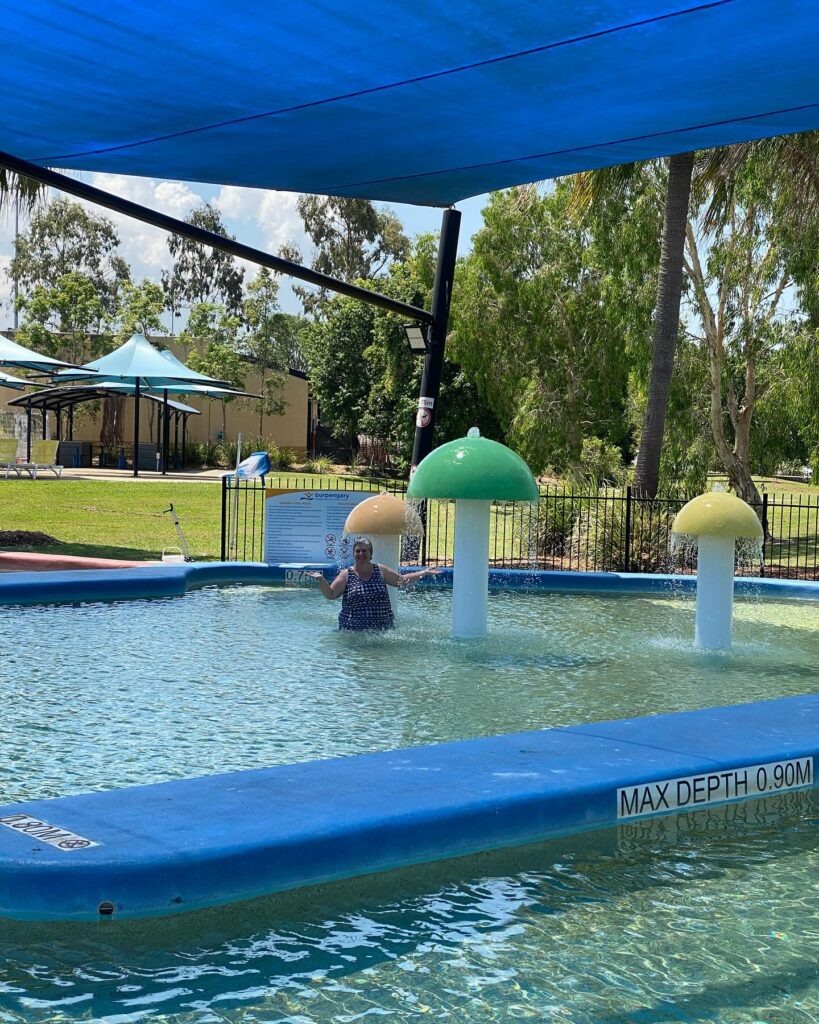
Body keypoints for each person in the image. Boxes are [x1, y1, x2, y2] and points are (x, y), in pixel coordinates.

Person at [305, 537, 438, 631]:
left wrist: (424, 572)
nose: (361, 554)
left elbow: (402, 581)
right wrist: (321, 580)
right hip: (353, 631)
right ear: (353, 554)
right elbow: (331, 594)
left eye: (364, 551)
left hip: (382, 630)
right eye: (357, 551)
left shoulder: (380, 570)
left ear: (371, 554)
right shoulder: (346, 574)